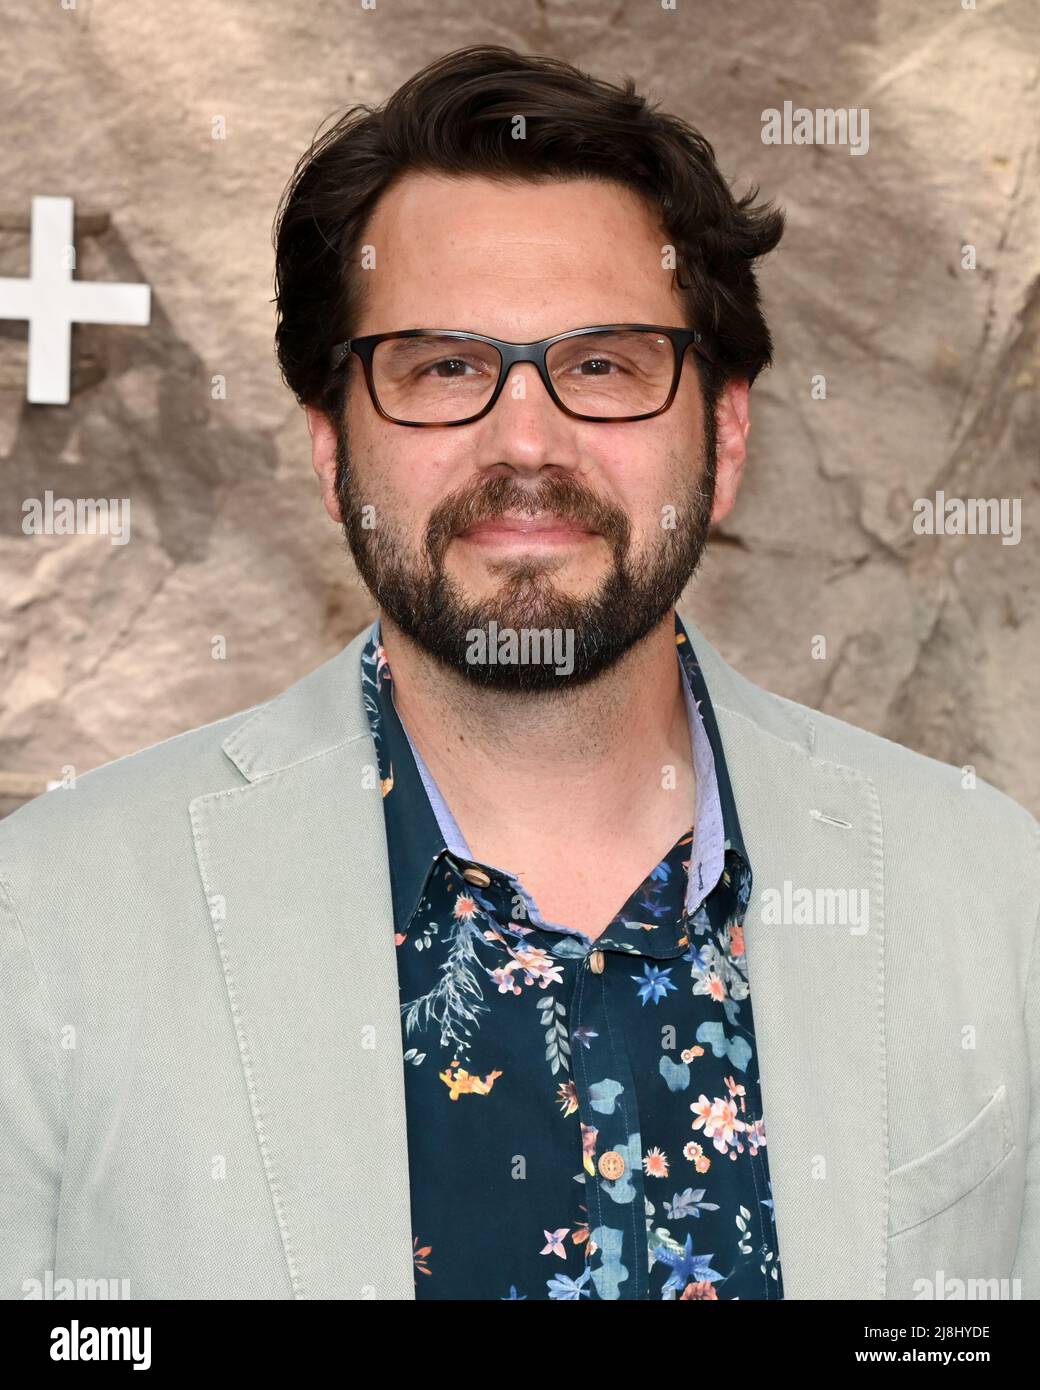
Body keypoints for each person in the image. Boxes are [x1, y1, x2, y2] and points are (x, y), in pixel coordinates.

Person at [1, 45, 1036, 1302]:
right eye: (443, 367)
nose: (526, 442)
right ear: (333, 451)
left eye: (601, 363)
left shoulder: (989, 892)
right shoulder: (47, 924)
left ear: (724, 435)